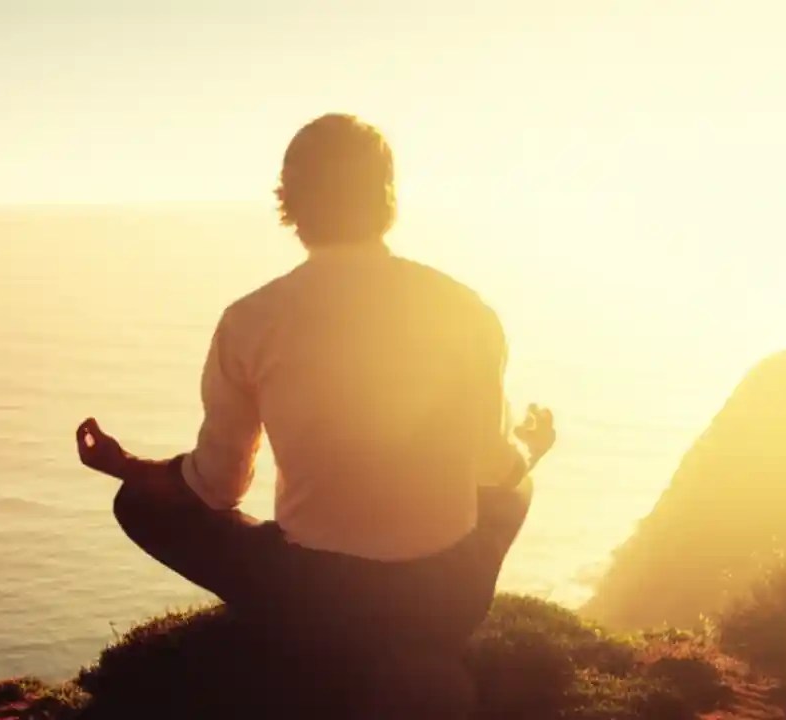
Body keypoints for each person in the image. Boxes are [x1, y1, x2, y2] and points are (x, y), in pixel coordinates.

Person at [75, 113, 556, 706]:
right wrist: (532, 444)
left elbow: (216, 490)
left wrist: (134, 470)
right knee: (518, 486)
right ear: (387, 197)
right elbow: (494, 470)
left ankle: (323, 635)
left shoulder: (251, 320)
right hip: (444, 595)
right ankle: (422, 642)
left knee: (138, 504)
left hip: (315, 596)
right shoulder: (465, 309)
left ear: (291, 203)